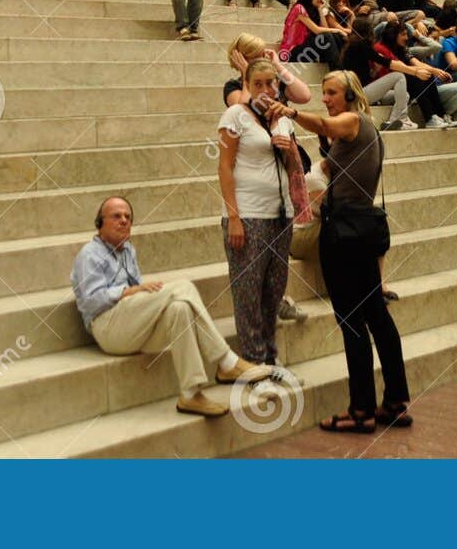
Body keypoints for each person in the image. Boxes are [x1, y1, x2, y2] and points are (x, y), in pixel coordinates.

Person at [268, 72, 411, 434]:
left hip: (344, 234)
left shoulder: (353, 120)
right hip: (362, 230)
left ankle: (361, 411)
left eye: (332, 92)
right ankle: (395, 401)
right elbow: (330, 165)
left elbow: (324, 124)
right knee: (377, 317)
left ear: (349, 95)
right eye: (324, 92)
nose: (326, 98)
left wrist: (291, 112)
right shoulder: (366, 131)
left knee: (351, 322)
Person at [70, 196, 271, 418]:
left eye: (128, 217)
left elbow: (138, 297)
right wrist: (129, 291)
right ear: (100, 223)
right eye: (116, 216)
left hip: (131, 324)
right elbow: (90, 300)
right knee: (183, 286)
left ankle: (191, 394)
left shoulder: (127, 251)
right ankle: (226, 361)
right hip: (108, 328)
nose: (124, 221)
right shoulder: (89, 254)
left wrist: (138, 293)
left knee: (180, 309)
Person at [217, 58, 305, 373]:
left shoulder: (284, 119)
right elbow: (224, 166)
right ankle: (253, 361)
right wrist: (234, 217)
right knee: (248, 291)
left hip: (280, 213)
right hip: (248, 213)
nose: (266, 89)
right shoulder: (235, 115)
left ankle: (270, 355)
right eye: (258, 84)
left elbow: (294, 169)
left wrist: (289, 150)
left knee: (274, 288)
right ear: (248, 86)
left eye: (271, 83)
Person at [376, 18, 457, 128]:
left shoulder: (401, 48)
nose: (406, 38)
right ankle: (429, 118)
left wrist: (435, 71)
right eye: (403, 34)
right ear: (393, 35)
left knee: (426, 74)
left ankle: (441, 115)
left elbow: (416, 62)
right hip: (385, 91)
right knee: (417, 77)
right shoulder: (380, 48)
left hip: (402, 87)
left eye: (406, 34)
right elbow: (401, 67)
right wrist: (424, 71)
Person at [339, 15, 412, 130]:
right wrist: (414, 71)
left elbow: (364, 76)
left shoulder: (351, 46)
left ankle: (392, 121)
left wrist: (375, 71)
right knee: (399, 76)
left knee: (405, 95)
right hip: (358, 94)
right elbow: (387, 62)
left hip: (361, 91)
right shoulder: (360, 45)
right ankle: (399, 118)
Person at [279, 0, 348, 68]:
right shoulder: (298, 8)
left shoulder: (313, 10)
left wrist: (319, 9)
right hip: (291, 53)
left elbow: (325, 28)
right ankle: (337, 69)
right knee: (326, 36)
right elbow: (317, 30)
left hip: (305, 49)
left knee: (335, 36)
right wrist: (338, 30)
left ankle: (341, 67)